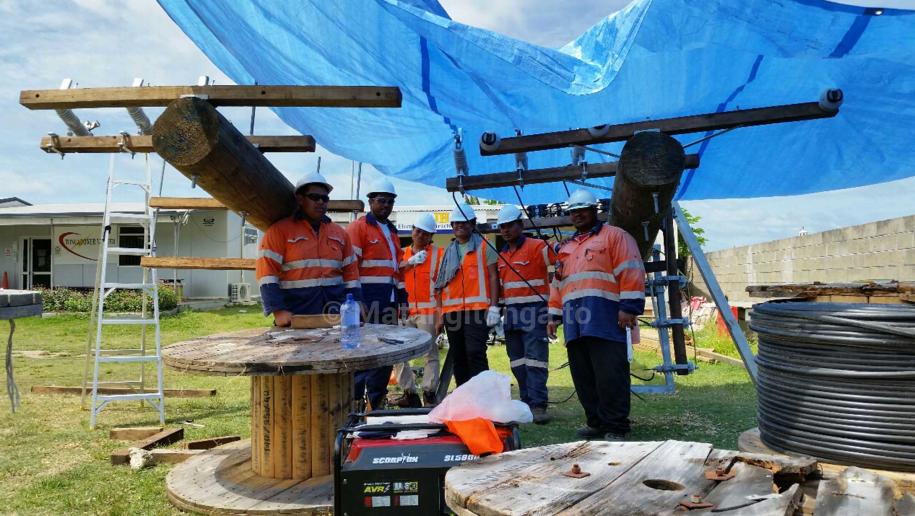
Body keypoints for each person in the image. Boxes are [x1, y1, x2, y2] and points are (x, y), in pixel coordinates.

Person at [547, 189, 646, 441]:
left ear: (594, 210)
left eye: (582, 209)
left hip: (606, 317)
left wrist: (629, 307)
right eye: (573, 211)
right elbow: (558, 284)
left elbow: (631, 270)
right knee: (583, 376)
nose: (577, 215)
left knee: (610, 374)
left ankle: (616, 426)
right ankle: (596, 422)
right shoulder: (567, 248)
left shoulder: (615, 236)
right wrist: (553, 316)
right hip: (574, 321)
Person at [256, 172, 361, 324]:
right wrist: (278, 311)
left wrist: (357, 301)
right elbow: (267, 274)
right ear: (300, 198)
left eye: (324, 198)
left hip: (335, 313)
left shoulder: (340, 233)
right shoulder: (279, 231)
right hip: (296, 315)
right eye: (314, 197)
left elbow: (351, 273)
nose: (320, 202)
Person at [346, 178, 407, 410]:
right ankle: (356, 407)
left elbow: (397, 269)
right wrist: (357, 301)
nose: (386, 205)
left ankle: (377, 403)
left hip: (389, 303)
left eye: (390, 202)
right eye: (381, 201)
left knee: (386, 355)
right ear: (370, 201)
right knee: (364, 355)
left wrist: (403, 300)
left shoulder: (391, 231)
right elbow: (351, 268)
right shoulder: (359, 228)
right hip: (368, 303)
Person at [496, 205, 556, 424]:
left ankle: (538, 405)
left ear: (520, 225)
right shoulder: (501, 255)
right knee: (518, 362)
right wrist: (497, 311)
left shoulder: (538, 246)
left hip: (535, 311)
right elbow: (502, 288)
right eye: (502, 227)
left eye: (509, 225)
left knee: (536, 361)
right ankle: (525, 403)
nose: (505, 230)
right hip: (512, 314)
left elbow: (561, 262)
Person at [434, 203, 500, 387]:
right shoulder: (447, 252)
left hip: (478, 310)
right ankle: (465, 395)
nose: (459, 226)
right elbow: (440, 285)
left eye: (464, 223)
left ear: (472, 224)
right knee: (458, 355)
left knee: (475, 351)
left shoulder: (486, 246)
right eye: (455, 223)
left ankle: (483, 393)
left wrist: (494, 306)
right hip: (452, 312)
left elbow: (494, 276)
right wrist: (440, 314)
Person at [391, 213, 444, 408]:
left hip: (428, 312)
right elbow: (393, 272)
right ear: (412, 230)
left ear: (431, 236)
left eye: (426, 233)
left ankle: (429, 393)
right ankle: (409, 393)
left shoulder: (439, 254)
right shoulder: (401, 253)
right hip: (404, 312)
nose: (421, 235)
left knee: (430, 353)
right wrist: (410, 262)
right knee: (398, 353)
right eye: (418, 231)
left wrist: (441, 315)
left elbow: (442, 286)